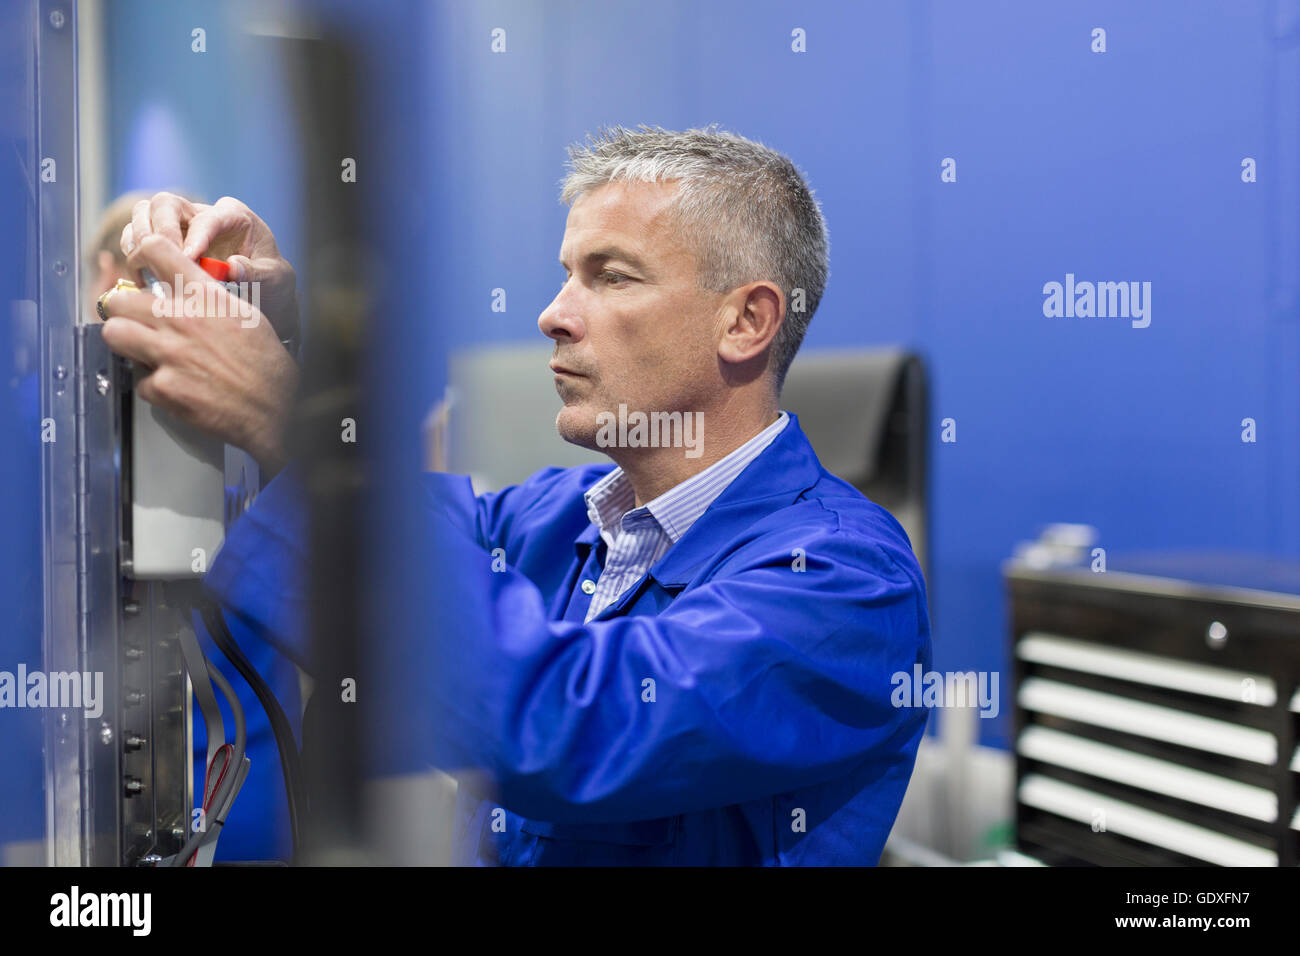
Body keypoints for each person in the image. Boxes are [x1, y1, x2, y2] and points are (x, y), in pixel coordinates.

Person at [102, 125, 933, 865]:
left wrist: (285, 418)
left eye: (612, 278)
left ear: (746, 322)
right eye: (566, 274)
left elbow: (571, 733)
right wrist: (275, 343)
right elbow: (380, 525)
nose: (553, 315)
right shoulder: (556, 517)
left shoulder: (846, 583)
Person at [89, 192, 301, 863]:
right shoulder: (60, 450)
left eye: (191, 282)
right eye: (147, 281)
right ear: (103, 276)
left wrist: (283, 342)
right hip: (115, 806)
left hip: (248, 792)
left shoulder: (256, 439)